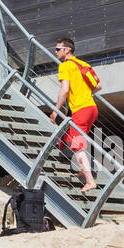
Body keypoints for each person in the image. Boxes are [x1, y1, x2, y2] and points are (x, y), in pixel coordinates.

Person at [49, 36, 98, 193]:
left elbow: (64, 90)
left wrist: (55, 110)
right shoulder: (83, 64)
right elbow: (98, 86)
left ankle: (90, 181)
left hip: (81, 110)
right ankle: (84, 170)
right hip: (91, 108)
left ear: (66, 50)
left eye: (58, 49)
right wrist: (83, 94)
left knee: (77, 145)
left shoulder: (65, 66)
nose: (55, 52)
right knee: (75, 139)